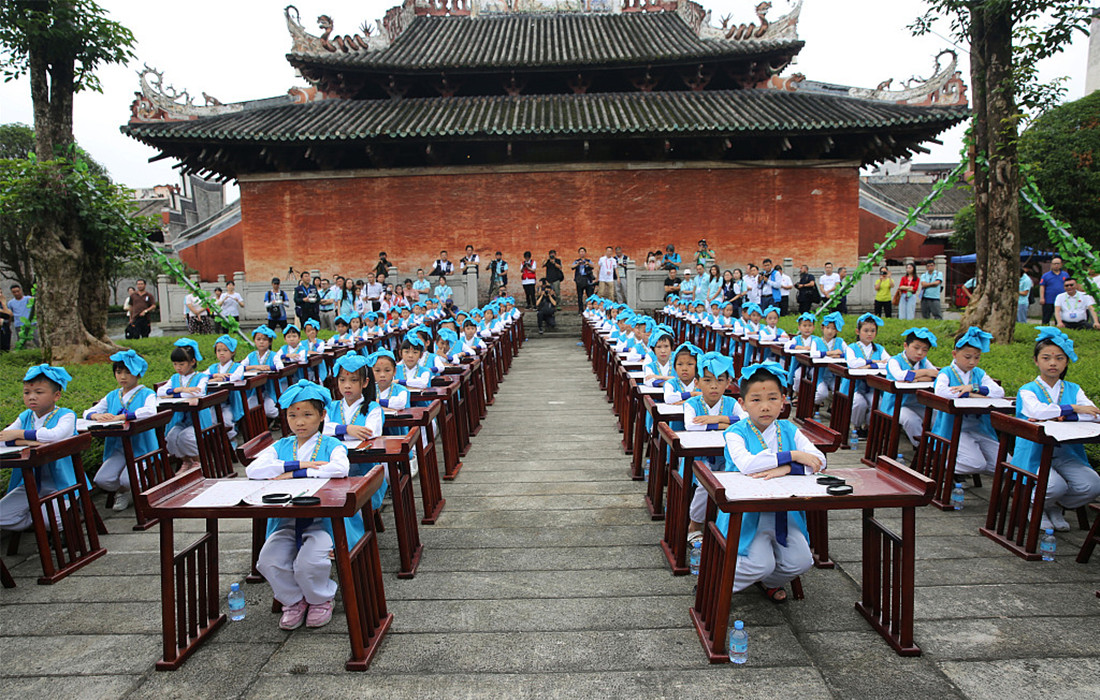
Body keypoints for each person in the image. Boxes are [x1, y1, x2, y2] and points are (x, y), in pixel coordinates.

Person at [247, 380, 356, 630]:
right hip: (286, 520)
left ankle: (320, 600)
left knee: (309, 563)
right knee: (268, 559)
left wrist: (292, 475)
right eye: (292, 416)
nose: (300, 422)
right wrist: (297, 466)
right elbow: (254, 469)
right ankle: (294, 600)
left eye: (307, 415)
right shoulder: (282, 445)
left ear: (322, 416)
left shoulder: (331, 445)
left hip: (324, 522)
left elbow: (339, 469)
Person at [717, 362, 823, 602]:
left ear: (783, 401)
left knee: (802, 561)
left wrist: (787, 468)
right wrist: (794, 457)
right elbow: (747, 464)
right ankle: (714, 585)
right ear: (742, 404)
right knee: (759, 564)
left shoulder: (789, 429)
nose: (765, 407)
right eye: (755, 400)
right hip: (746, 513)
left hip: (784, 512)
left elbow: (820, 461)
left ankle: (769, 582)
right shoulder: (736, 432)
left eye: (772, 398)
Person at [1011, 327, 1100, 531]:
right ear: (1036, 360)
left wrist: (1057, 414)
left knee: (1092, 484)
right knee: (1054, 485)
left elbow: (1094, 414)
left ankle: (1053, 506)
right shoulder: (1027, 390)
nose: (1053, 363)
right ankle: (1035, 508)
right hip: (1034, 453)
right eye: (1046, 358)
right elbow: (1036, 410)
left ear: (1066, 361)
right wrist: (1074, 409)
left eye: (1059, 358)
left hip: (1066, 451)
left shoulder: (1073, 389)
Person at [0, 364, 77, 531]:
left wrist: (19, 435)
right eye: (27, 392)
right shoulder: (25, 416)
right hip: (30, 484)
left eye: (39, 392)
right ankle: (36, 522)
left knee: (49, 521)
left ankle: (52, 524)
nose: (31, 397)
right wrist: (31, 441)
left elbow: (54, 436)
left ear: (56, 395)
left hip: (62, 484)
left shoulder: (67, 415)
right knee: (2, 516)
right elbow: (2, 438)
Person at [81, 350, 159, 512]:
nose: (122, 376)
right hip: (118, 449)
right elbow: (87, 412)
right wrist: (97, 415)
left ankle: (133, 488)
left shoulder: (147, 394)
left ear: (138, 373)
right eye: (118, 372)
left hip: (141, 449)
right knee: (102, 480)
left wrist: (122, 417)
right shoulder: (112, 396)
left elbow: (150, 411)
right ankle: (123, 490)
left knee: (127, 479)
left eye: (128, 372)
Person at [931, 327, 1003, 478]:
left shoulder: (979, 373)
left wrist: (973, 388)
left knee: (1005, 465)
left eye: (977, 357)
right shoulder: (946, 372)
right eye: (967, 357)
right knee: (976, 463)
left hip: (979, 428)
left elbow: (998, 392)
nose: (972, 362)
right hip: (953, 429)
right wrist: (975, 395)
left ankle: (958, 464)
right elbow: (942, 392)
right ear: (954, 354)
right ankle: (942, 463)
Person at [323, 355, 386, 511]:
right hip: (335, 467)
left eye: (353, 380)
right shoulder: (332, 407)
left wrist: (335, 432)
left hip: (365, 469)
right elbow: (322, 430)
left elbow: (369, 433)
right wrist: (347, 429)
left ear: (365, 382)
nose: (347, 386)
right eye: (342, 380)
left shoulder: (373, 408)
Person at [883, 327, 939, 447]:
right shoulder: (894, 361)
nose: (920, 353)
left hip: (918, 404)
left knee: (938, 417)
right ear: (905, 346)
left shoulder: (924, 362)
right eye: (916, 348)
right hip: (896, 405)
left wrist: (916, 378)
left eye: (925, 350)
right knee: (911, 420)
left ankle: (938, 447)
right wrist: (926, 373)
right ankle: (923, 448)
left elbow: (936, 375)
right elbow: (900, 376)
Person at [159, 339, 210, 469]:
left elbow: (198, 393)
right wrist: (180, 390)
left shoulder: (202, 377)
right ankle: (186, 461)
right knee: (171, 436)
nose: (178, 368)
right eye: (175, 364)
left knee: (186, 437)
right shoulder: (175, 378)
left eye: (181, 364)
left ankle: (199, 462)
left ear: (192, 362)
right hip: (181, 419)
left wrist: (174, 394)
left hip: (198, 419)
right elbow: (160, 391)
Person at [845, 314, 890, 434]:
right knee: (859, 403)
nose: (869, 334)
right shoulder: (851, 348)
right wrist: (874, 361)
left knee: (878, 402)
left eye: (873, 331)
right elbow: (853, 363)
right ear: (857, 331)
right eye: (866, 330)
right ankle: (856, 426)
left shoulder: (879, 348)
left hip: (872, 386)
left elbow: (889, 363)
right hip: (854, 386)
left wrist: (870, 366)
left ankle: (869, 427)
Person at [1039, 255, 1069, 325]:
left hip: (1062, 301)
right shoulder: (1046, 275)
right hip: (1049, 300)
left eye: (1058, 263)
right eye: (1054, 264)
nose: (1056, 265)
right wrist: (1042, 298)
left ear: (1061, 265)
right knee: (1046, 318)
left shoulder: (1065, 275)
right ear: (1051, 265)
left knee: (1059, 318)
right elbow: (1042, 286)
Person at [572, 248, 594, 312]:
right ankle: (580, 309)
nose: (582, 253)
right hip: (579, 280)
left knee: (589, 295)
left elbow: (593, 266)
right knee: (580, 295)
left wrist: (587, 263)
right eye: (580, 252)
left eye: (583, 252)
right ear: (579, 253)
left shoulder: (588, 260)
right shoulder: (577, 261)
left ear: (585, 253)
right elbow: (572, 267)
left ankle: (590, 309)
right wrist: (578, 263)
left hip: (587, 279)